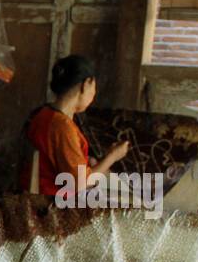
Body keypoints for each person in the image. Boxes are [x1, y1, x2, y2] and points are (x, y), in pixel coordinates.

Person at [20, 55, 129, 196]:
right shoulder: (61, 126)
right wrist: (112, 157)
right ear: (86, 84)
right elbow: (80, 184)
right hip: (51, 201)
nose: (94, 93)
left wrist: (86, 161)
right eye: (94, 86)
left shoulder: (43, 113)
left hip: (39, 192)